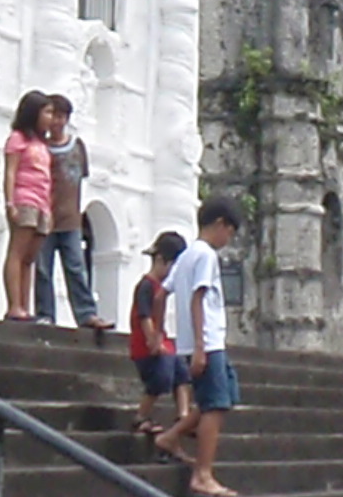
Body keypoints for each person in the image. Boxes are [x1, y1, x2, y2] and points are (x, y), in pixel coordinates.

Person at [155, 197, 243, 497]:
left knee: (224, 395)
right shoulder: (205, 255)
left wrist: (159, 334)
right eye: (229, 232)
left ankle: (171, 436)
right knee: (215, 405)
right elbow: (197, 299)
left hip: (200, 342)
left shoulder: (185, 255)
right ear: (220, 224)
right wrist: (201, 347)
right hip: (207, 343)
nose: (228, 239)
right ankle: (202, 474)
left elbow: (160, 294)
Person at [34, 93, 113, 329]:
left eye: (61, 116)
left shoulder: (77, 147)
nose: (56, 122)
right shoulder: (40, 148)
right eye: (53, 115)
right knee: (43, 270)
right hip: (45, 218)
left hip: (71, 220)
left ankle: (86, 313)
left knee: (76, 269)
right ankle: (45, 313)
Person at [130, 231, 192, 438]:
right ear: (160, 260)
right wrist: (152, 340)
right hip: (146, 347)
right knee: (159, 380)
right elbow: (144, 316)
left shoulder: (161, 289)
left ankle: (183, 415)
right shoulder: (146, 286)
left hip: (161, 342)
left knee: (182, 372)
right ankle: (141, 416)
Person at [2, 90, 55, 321]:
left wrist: (49, 208)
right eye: (47, 112)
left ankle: (24, 305)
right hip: (25, 199)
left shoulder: (41, 144)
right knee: (17, 252)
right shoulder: (17, 139)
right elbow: (11, 172)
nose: (51, 118)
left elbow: (47, 178)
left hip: (42, 203)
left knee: (29, 258)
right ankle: (14, 305)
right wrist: (9, 202)